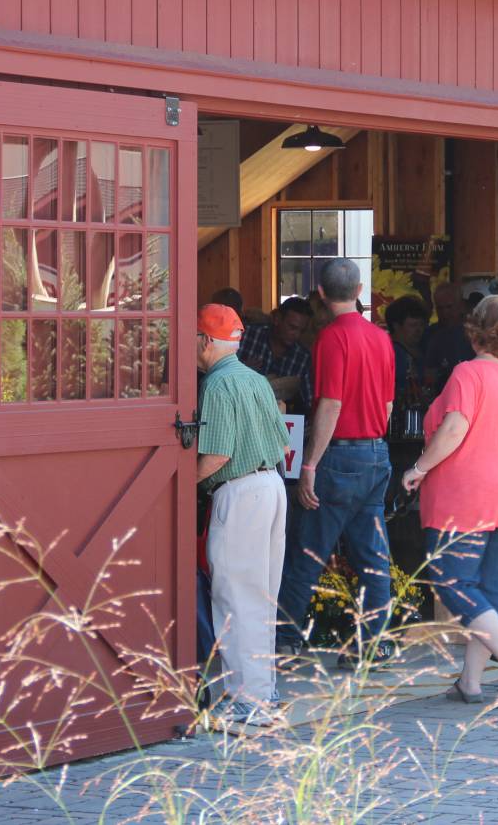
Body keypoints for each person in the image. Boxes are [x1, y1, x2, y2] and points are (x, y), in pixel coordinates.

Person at [402, 296, 498, 703]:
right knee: (490, 592)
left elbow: (453, 429)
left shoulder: (467, 373)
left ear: (473, 331)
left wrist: (420, 468)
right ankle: (471, 682)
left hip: (467, 496)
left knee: (451, 580)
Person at [276, 258, 397, 667]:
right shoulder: (381, 338)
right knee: (373, 558)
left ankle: (287, 642)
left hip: (339, 455)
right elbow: (388, 403)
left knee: (307, 551)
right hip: (377, 452)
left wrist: (309, 464)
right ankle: (375, 644)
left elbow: (330, 403)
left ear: (322, 296)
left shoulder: (329, 338)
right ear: (361, 290)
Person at [194, 304, 291, 724]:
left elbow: (217, 453)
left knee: (236, 598)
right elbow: (281, 434)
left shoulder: (215, 385)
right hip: (272, 485)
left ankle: (246, 703)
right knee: (262, 597)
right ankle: (263, 695)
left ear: (205, 341)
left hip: (238, 492)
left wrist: (183, 486)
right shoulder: (255, 379)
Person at [238, 297, 314, 413]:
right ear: (277, 319)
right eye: (292, 327)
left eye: (301, 331)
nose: (296, 335)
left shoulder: (303, 358)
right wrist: (241, 369)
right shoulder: (247, 337)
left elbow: (310, 403)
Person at [421, 282, 475, 393]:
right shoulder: (430, 334)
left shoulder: (474, 333)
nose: (445, 312)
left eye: (449, 307)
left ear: (461, 306)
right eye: (440, 308)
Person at [385, 295, 429, 396]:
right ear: (396, 326)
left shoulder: (425, 346)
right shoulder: (390, 354)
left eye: (422, 324)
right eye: (413, 325)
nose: (419, 330)